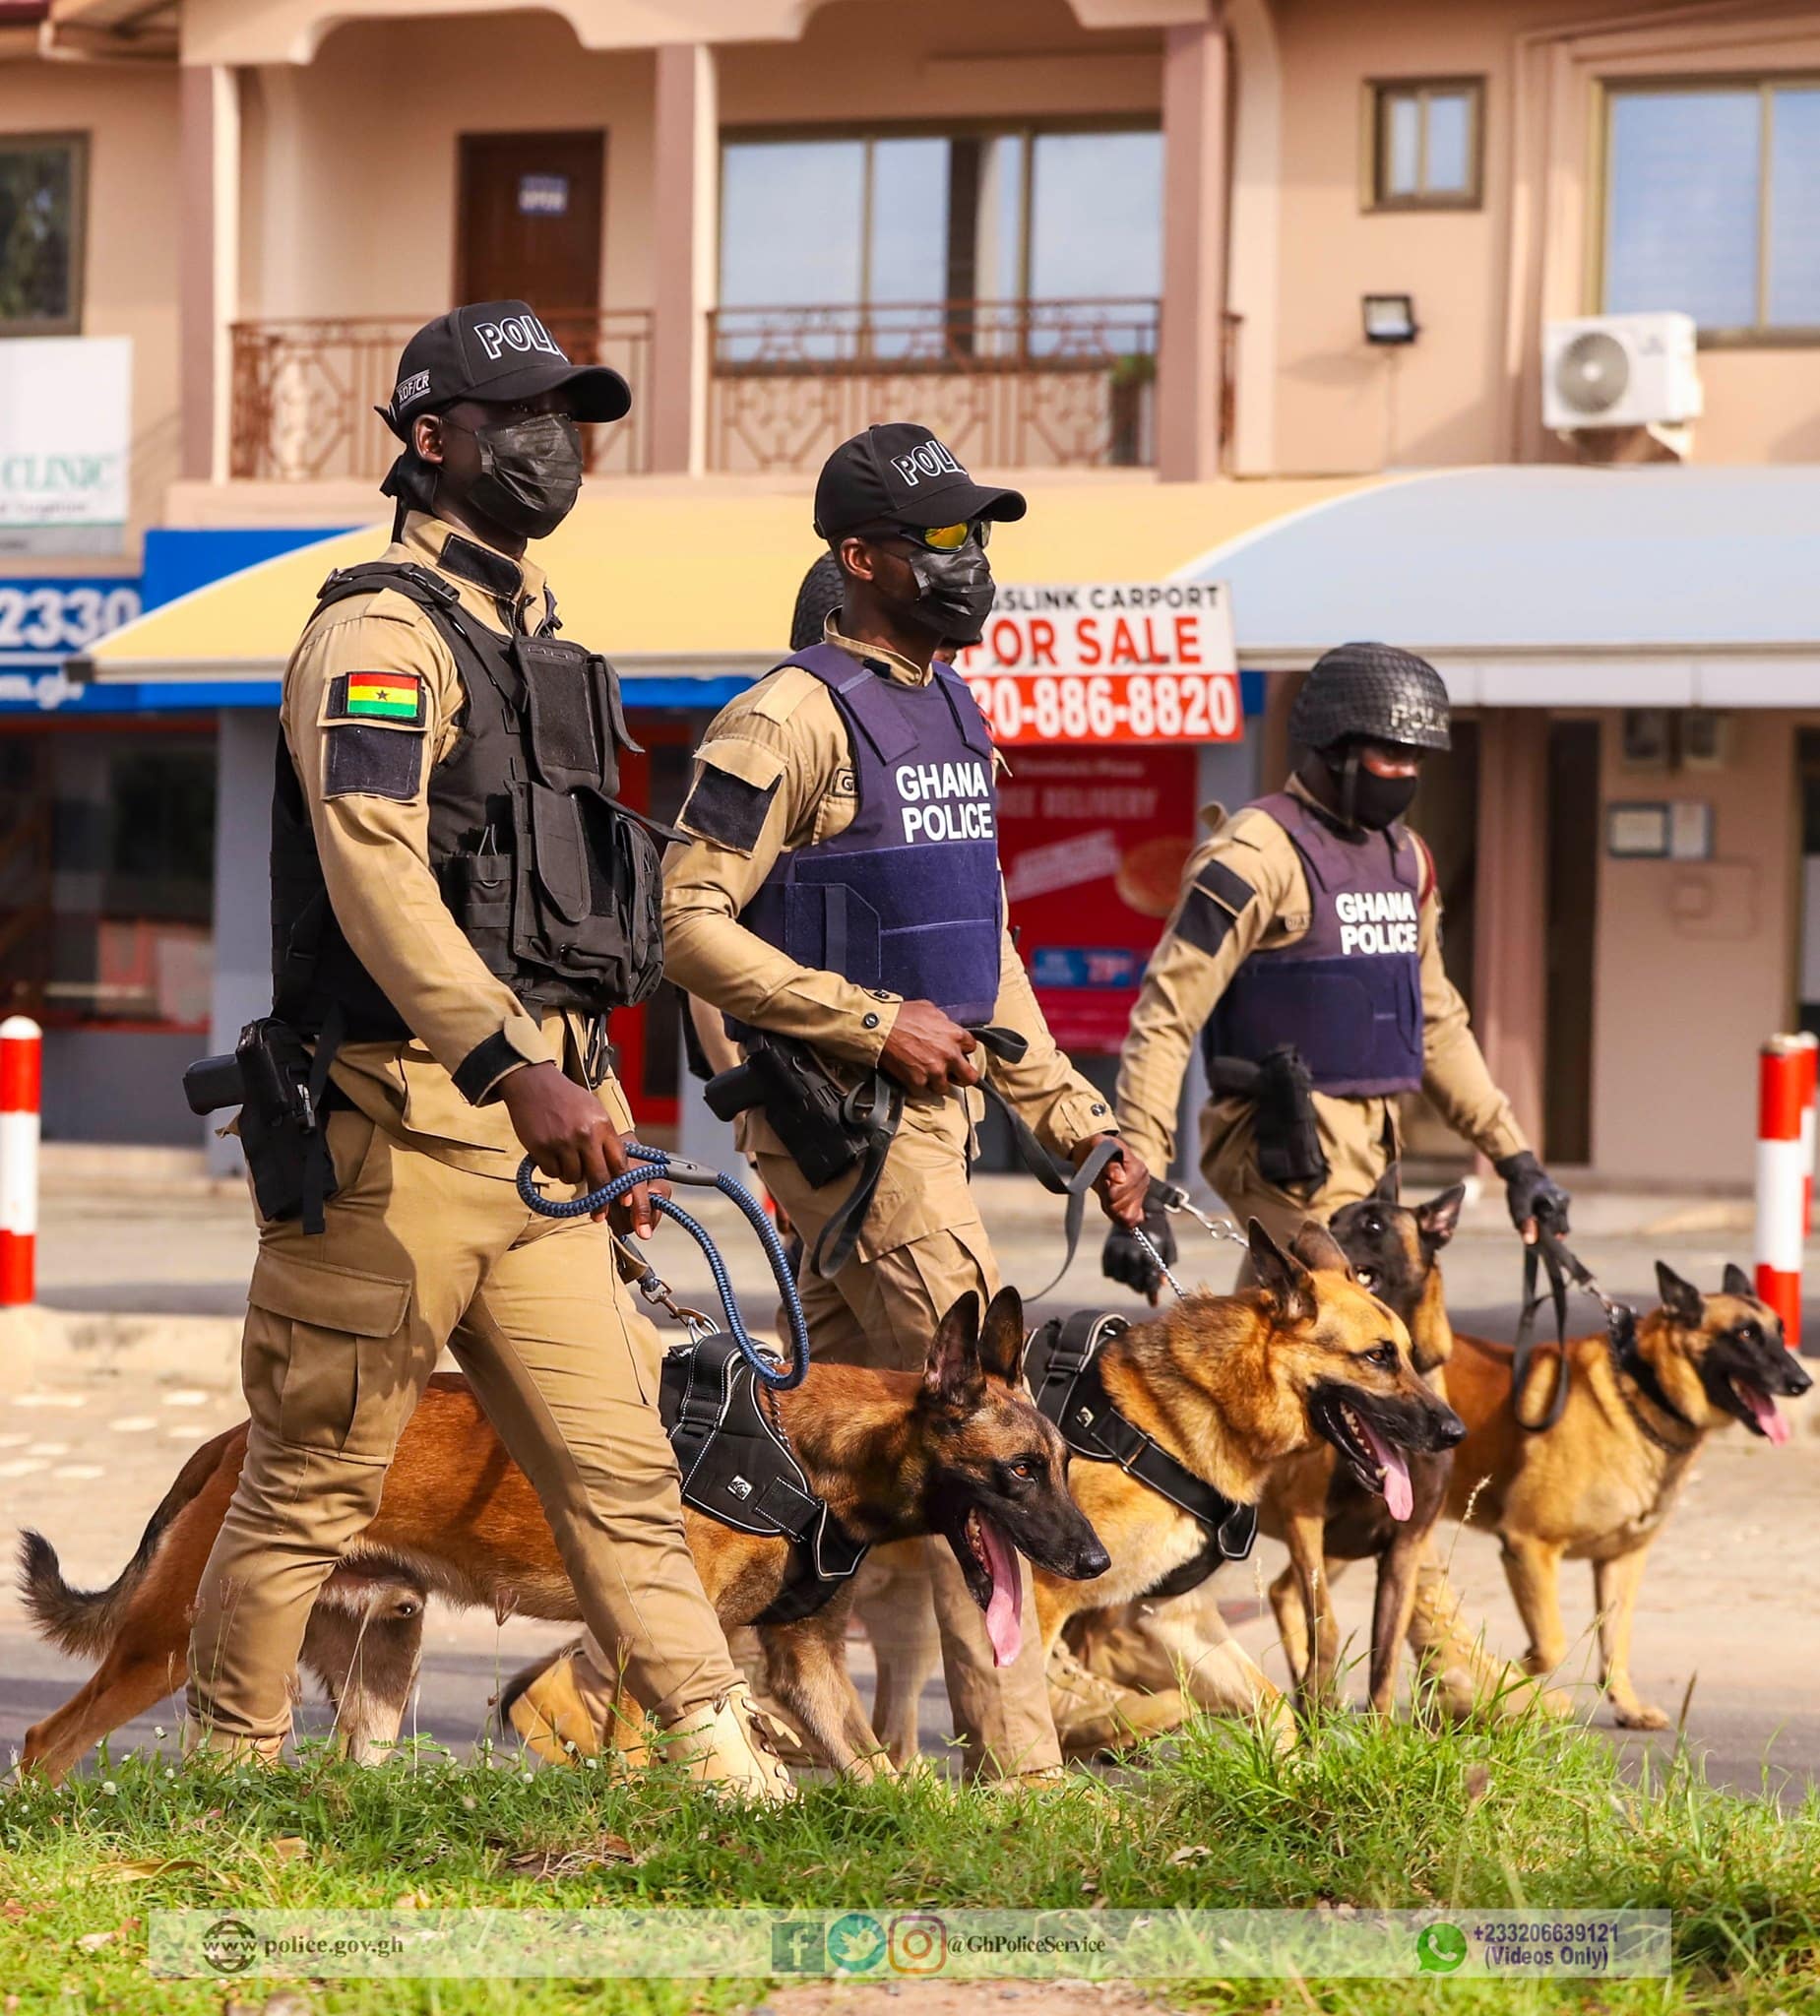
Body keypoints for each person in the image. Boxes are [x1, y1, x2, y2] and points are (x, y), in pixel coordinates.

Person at [184, 301, 790, 1800]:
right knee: (313, 1489)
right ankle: (227, 1780)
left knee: (624, 1472)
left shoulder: (538, 643)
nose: (556, 449)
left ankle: (717, 1758)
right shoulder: (377, 633)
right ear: (430, 438)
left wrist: (594, 1112)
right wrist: (515, 1067)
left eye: (571, 421)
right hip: (394, 1131)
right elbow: (372, 868)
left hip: (542, 1171)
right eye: (522, 422)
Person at [530, 424, 1157, 1784]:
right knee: (985, 1453)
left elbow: (979, 957)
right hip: (859, 1145)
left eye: (978, 537)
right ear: (857, 557)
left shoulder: (949, 710)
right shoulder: (790, 716)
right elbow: (683, 922)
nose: (968, 563)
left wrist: (1078, 1124)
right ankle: (1024, 1767)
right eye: (937, 543)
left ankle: (597, 1696)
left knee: (791, 1458)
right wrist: (871, 1023)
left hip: (934, 1126)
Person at [1094, 639, 1571, 1705]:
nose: (1399, 770)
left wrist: (1513, 1149)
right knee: (1329, 1390)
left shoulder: (1406, 861)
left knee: (1393, 1383)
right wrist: (1139, 1175)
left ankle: (1185, 1611)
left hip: (1376, 1154)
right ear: (1326, 742)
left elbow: (1434, 1015)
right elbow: (1164, 1013)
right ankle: (1400, 1645)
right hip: (1281, 1154)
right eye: (1380, 751)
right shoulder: (1253, 853)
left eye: (1414, 755)